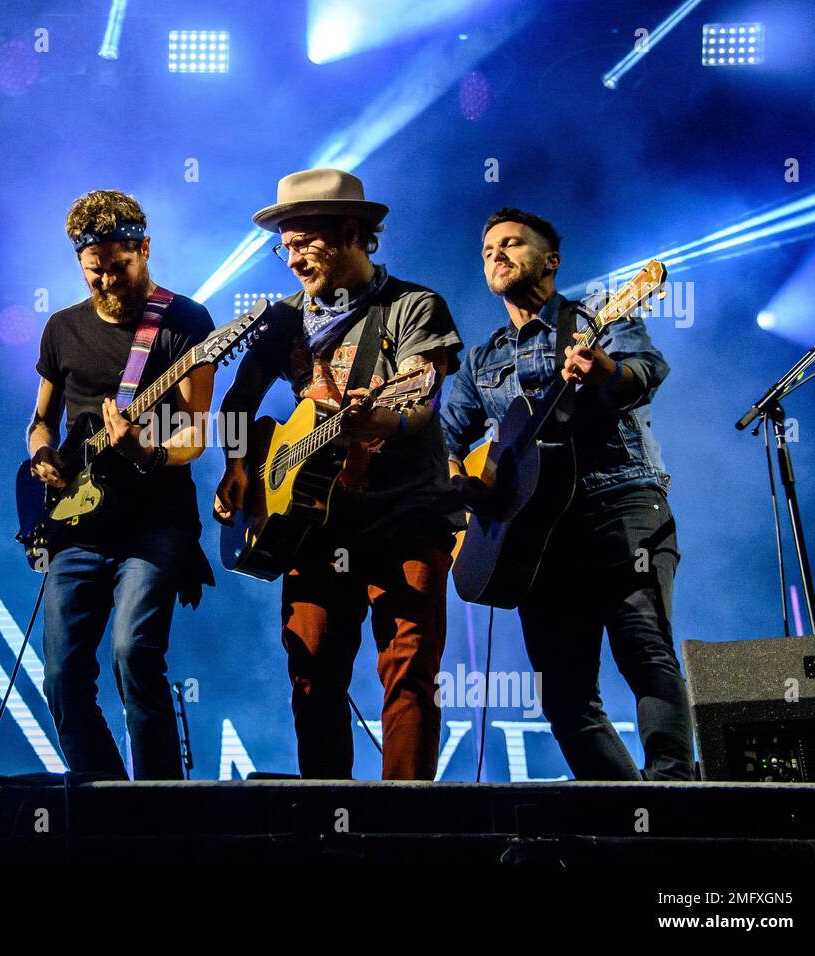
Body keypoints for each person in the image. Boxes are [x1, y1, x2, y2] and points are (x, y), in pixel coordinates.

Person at [215, 168, 464, 780]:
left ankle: (407, 822)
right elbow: (238, 404)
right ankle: (330, 820)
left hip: (408, 514)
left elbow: (421, 398)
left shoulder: (413, 306)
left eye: (304, 242)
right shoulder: (281, 321)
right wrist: (238, 469)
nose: (292, 258)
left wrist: (379, 419)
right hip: (314, 525)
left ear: (352, 232)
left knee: (410, 670)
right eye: (285, 247)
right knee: (312, 673)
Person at [439, 207, 693, 780]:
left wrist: (603, 370)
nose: (497, 255)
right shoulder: (481, 359)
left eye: (512, 244)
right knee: (564, 697)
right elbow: (446, 435)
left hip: (618, 502)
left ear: (551, 260)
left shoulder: (596, 316)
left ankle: (674, 796)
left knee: (645, 652)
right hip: (536, 531)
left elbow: (645, 372)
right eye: (488, 251)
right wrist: (459, 475)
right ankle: (631, 812)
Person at [28, 190, 215, 780]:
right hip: (77, 525)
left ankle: (159, 804)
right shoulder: (61, 328)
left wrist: (147, 451)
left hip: (155, 523)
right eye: (94, 270)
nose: (107, 281)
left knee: (134, 654)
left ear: (145, 249)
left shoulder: (186, 322)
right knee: (61, 675)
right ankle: (105, 798)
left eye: (119, 266)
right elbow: (41, 422)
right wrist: (41, 456)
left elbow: (198, 434)